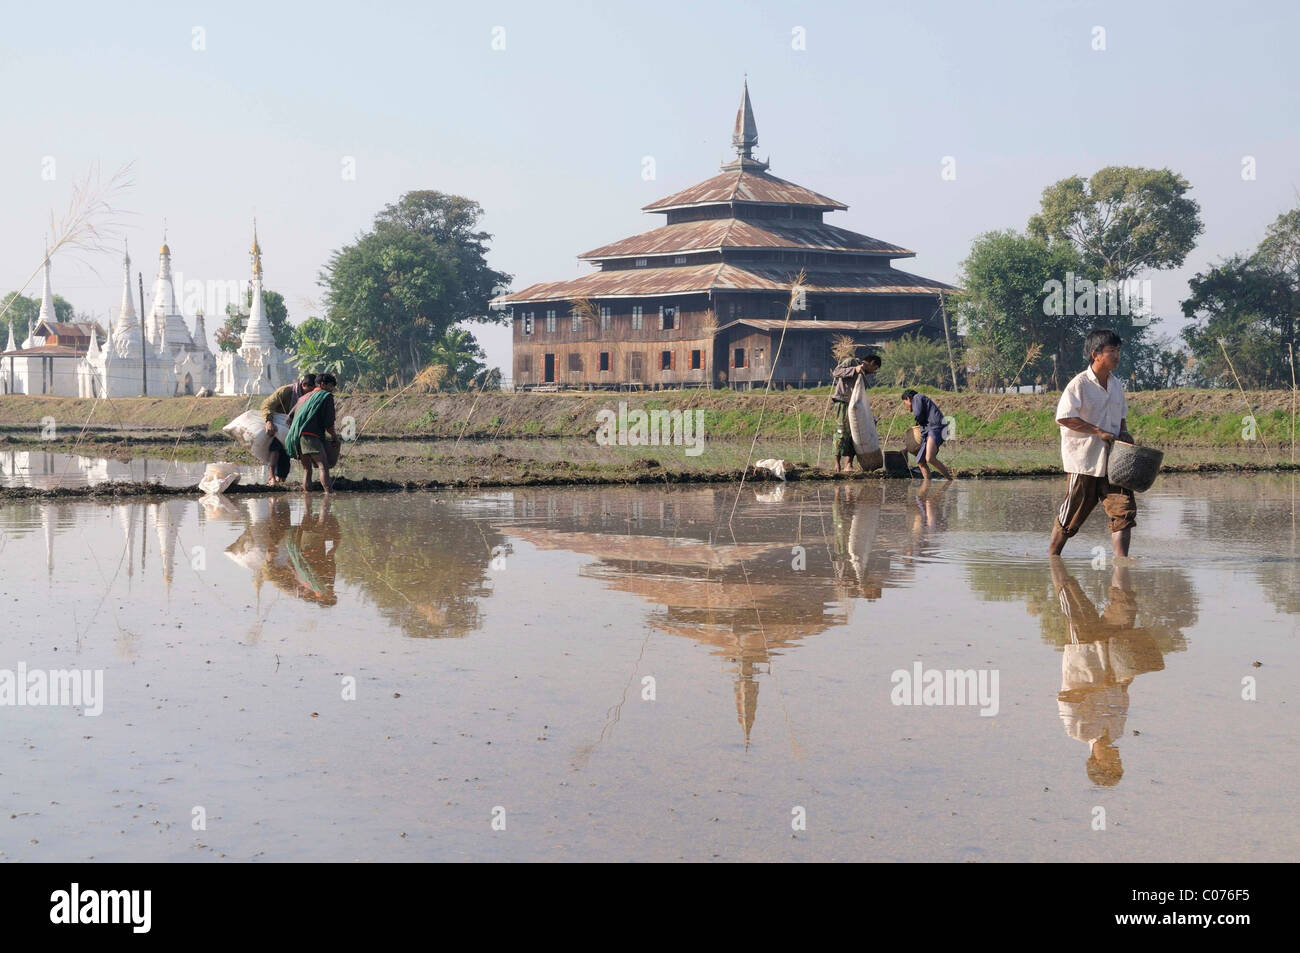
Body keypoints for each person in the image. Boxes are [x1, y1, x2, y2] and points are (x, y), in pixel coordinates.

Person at [1050, 328, 1135, 557]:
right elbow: (1065, 417)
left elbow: (1121, 416)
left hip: (1114, 461)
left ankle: (1121, 564)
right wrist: (1097, 431)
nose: (1116, 355)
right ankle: (1053, 557)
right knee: (1071, 515)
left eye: (1118, 351)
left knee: (1123, 512)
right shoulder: (1079, 384)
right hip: (1084, 461)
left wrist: (1124, 432)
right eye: (1111, 351)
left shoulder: (1117, 385)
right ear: (1096, 354)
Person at [286, 372, 339, 494]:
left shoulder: (302, 398)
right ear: (322, 384)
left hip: (297, 437)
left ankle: (307, 499)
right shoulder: (325, 396)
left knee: (307, 469)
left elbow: (289, 419)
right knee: (323, 466)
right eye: (331, 386)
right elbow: (329, 424)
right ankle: (329, 494)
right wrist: (335, 438)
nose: (331, 390)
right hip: (311, 437)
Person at [831, 352, 882, 472]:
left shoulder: (864, 376)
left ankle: (848, 464)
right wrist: (854, 369)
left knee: (856, 433)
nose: (873, 372)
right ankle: (837, 464)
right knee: (841, 432)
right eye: (874, 369)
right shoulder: (851, 362)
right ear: (872, 363)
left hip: (856, 407)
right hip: (843, 402)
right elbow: (836, 372)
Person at [261, 373, 316, 485]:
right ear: (304, 385)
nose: (312, 393)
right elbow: (267, 405)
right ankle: (271, 477)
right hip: (278, 424)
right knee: (275, 448)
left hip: (291, 427)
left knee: (286, 454)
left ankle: (280, 479)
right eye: (311, 389)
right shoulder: (286, 391)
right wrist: (269, 421)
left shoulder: (310, 397)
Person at [900, 389, 953, 482]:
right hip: (929, 432)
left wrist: (916, 422)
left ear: (908, 398)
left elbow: (918, 413)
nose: (907, 407)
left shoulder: (917, 398)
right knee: (921, 461)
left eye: (905, 403)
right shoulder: (919, 401)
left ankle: (950, 481)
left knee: (929, 458)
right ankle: (927, 484)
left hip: (936, 428)